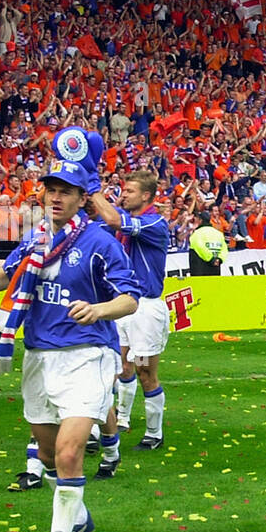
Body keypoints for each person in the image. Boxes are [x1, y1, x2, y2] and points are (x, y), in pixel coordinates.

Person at [0, 159, 139, 532]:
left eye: (66, 191)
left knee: (71, 453)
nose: (56, 197)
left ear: (80, 199)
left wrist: (98, 310)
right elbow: (8, 275)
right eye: (51, 189)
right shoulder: (35, 239)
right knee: (51, 455)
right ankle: (80, 517)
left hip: (88, 355)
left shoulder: (100, 243)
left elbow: (129, 299)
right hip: (39, 356)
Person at [89, 169, 171, 452]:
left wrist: (93, 190)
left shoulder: (154, 222)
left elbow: (113, 219)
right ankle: (121, 419)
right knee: (120, 368)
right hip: (119, 304)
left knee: (146, 372)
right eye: (123, 190)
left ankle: (154, 433)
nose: (123, 194)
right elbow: (97, 224)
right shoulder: (123, 221)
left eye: (130, 191)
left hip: (145, 306)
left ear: (146, 196)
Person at [188, 211, 225, 275]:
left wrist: (211, 259)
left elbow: (200, 247)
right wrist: (219, 259)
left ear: (200, 220)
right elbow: (224, 249)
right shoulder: (219, 233)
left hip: (200, 269)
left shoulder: (197, 233)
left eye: (196, 219)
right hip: (216, 267)